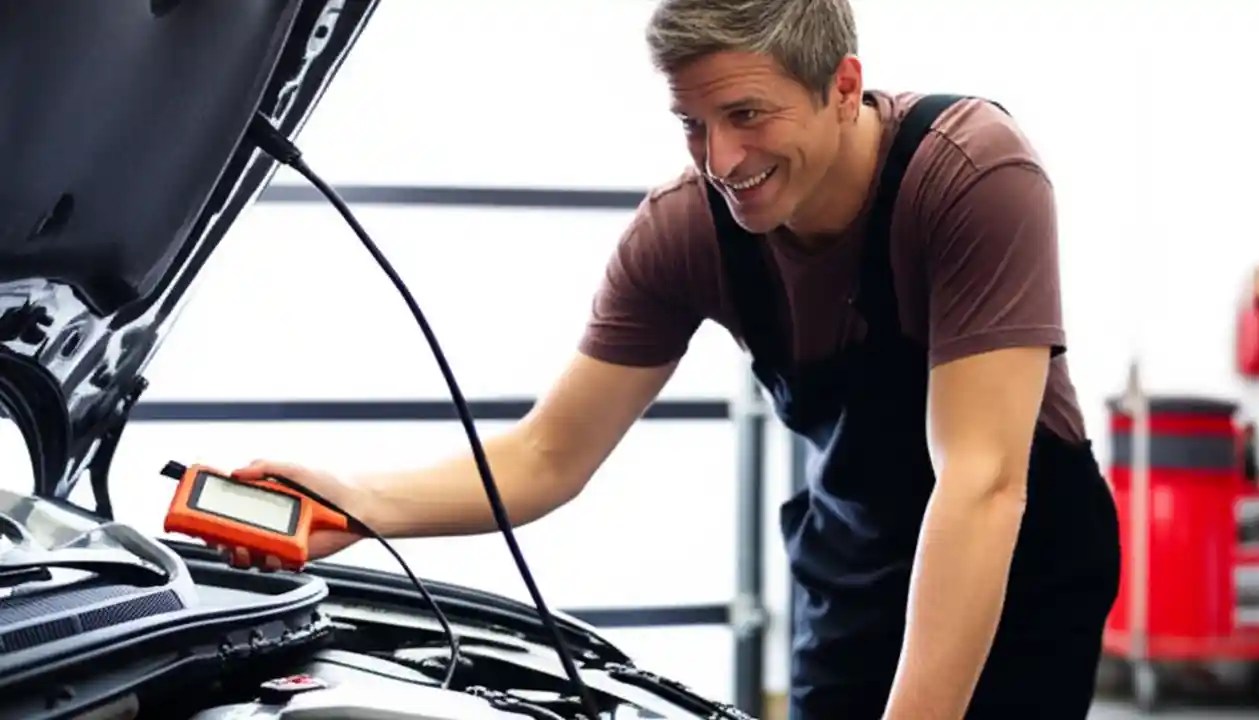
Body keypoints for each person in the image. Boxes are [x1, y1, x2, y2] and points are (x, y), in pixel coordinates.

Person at [227, 1, 1121, 717]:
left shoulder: (970, 177)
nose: (722, 160)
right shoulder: (685, 231)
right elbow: (546, 456)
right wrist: (360, 504)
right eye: (692, 123)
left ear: (844, 86)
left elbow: (981, 482)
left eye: (746, 115)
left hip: (1017, 551)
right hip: (852, 557)